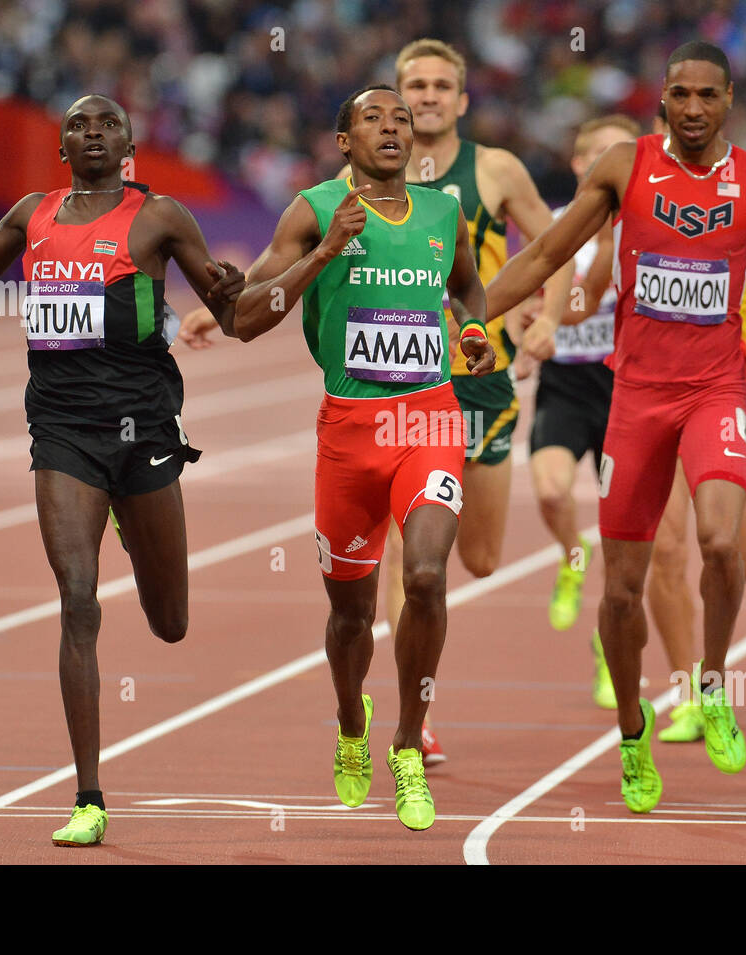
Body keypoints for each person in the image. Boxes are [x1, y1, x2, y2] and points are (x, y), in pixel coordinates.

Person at [485, 41, 746, 813]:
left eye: (706, 96)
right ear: (663, 100)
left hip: (715, 390)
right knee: (621, 592)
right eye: (679, 95)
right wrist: (472, 311)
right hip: (636, 398)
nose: (692, 109)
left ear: (727, 100)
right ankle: (630, 732)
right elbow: (552, 248)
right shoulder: (624, 167)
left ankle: (711, 682)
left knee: (720, 542)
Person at [0, 96, 244, 846]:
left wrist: (229, 295)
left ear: (129, 144)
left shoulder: (160, 216)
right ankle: (89, 796)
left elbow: (229, 312)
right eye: (78, 123)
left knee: (171, 623)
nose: (92, 130)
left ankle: (135, 520)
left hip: (145, 430)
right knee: (77, 600)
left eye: (106, 122)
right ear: (61, 145)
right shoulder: (33, 213)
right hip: (64, 432)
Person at [182, 85, 494, 830]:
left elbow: (470, 289)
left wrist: (475, 332)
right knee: (350, 616)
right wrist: (314, 256)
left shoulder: (445, 214)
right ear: (344, 142)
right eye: (372, 119)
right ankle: (352, 724)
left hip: (429, 420)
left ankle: (408, 746)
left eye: (400, 117)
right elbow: (252, 307)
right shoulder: (314, 210)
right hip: (350, 433)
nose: (391, 126)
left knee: (424, 575)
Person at [340, 38, 574, 765]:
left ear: (463, 100)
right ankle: (418, 710)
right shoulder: (362, 170)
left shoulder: (495, 169)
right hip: (399, 389)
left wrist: (549, 318)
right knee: (410, 559)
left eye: (444, 85)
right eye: (417, 84)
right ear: (397, 96)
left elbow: (558, 243)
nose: (430, 95)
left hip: (481, 382)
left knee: (478, 560)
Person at [634, 104, 746, 742]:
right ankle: (689, 692)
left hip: (728, 388)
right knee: (666, 550)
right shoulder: (634, 203)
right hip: (650, 392)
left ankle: (713, 674)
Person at [517, 115, 632, 708]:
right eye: (596, 154)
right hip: (565, 383)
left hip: (625, 387)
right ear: (579, 164)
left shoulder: (650, 225)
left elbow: (584, 306)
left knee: (625, 533)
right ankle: (570, 555)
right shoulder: (558, 226)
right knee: (552, 492)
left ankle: (610, 649)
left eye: (621, 153)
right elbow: (538, 298)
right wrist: (518, 329)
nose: (607, 164)